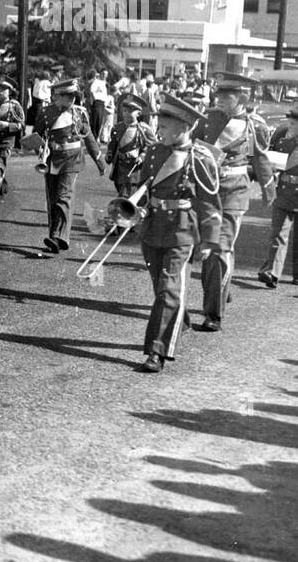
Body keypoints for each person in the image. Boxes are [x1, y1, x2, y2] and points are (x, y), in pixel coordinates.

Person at [134, 95, 222, 374]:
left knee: (169, 289)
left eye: (165, 124)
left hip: (182, 231)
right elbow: (145, 191)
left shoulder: (200, 158)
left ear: (184, 126)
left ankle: (157, 352)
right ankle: (178, 320)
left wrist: (209, 240)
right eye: (160, 123)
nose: (159, 129)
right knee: (161, 288)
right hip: (153, 229)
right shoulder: (154, 152)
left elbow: (210, 203)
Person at [192, 73, 275, 332]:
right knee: (215, 248)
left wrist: (268, 190)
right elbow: (195, 147)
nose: (220, 101)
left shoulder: (254, 127)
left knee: (218, 249)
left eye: (226, 97)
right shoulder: (209, 118)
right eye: (218, 96)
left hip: (234, 193)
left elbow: (258, 159)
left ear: (241, 98)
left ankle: (213, 314)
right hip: (207, 192)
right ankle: (221, 290)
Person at [33, 77, 104, 254]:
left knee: (64, 196)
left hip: (73, 159)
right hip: (52, 159)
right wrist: (40, 151)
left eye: (74, 95)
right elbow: (36, 135)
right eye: (69, 95)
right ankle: (54, 236)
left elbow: (89, 138)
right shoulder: (45, 112)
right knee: (53, 198)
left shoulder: (79, 113)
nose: (73, 99)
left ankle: (60, 237)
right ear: (58, 95)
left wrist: (99, 161)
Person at [259, 105, 298, 288]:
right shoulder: (282, 138)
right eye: (290, 122)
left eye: (294, 123)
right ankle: (272, 273)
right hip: (285, 189)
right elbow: (272, 163)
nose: (290, 126)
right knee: (278, 233)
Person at [106, 95, 156, 199]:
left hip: (134, 170)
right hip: (119, 169)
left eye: (130, 111)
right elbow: (113, 144)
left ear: (138, 113)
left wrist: (142, 156)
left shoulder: (144, 130)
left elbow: (152, 147)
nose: (126, 114)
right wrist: (109, 153)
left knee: (127, 195)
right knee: (120, 190)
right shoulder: (117, 128)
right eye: (124, 111)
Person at [0, 79, 25, 201]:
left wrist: (7, 125)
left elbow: (21, 125)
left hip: (7, 141)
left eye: (4, 89)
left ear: (10, 91)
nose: (1, 91)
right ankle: (3, 188)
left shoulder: (15, 106)